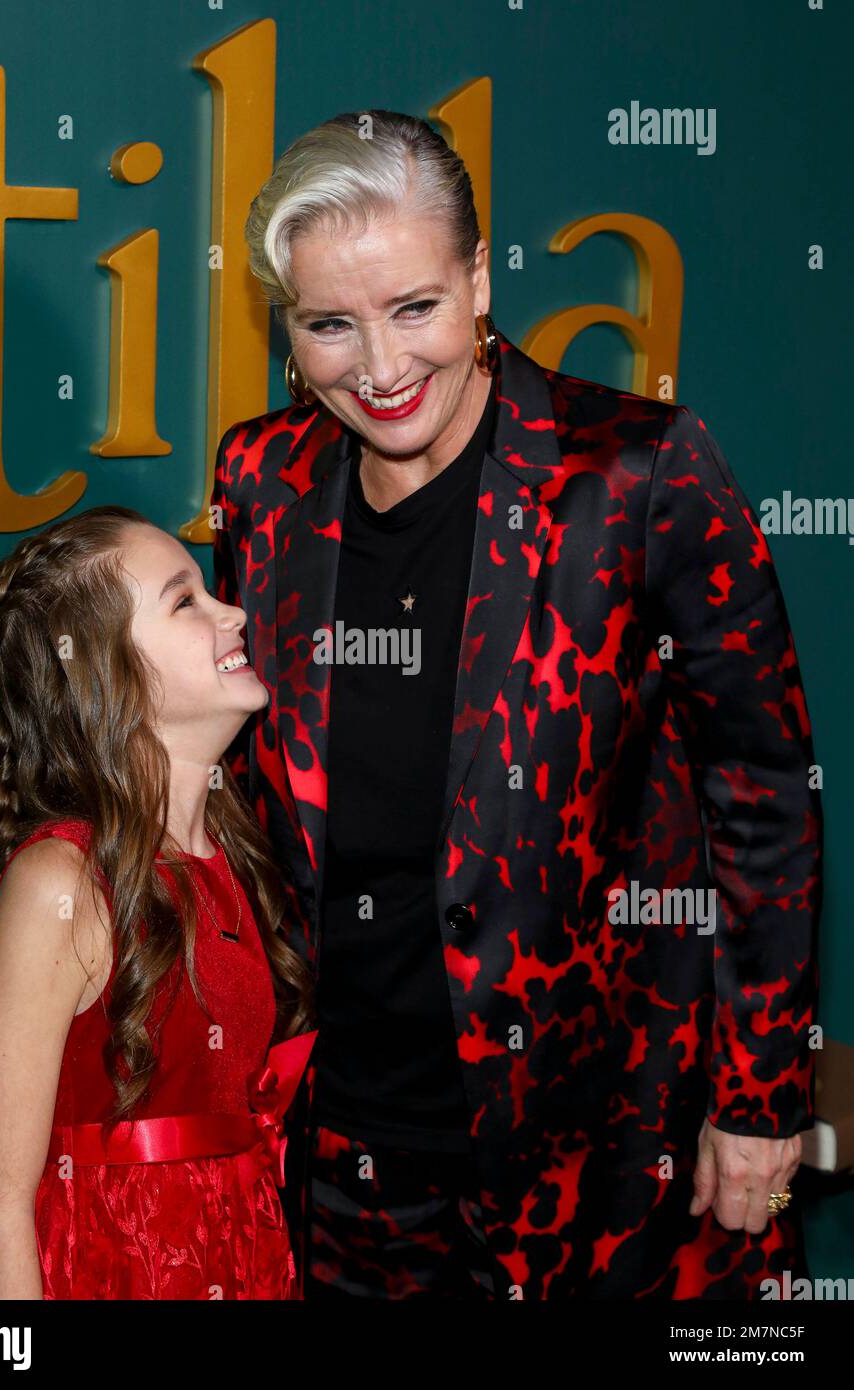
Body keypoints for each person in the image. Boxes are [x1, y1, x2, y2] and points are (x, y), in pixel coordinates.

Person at [209, 109, 824, 1299]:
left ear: (480, 277)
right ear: (285, 323)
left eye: (414, 309)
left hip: (601, 1159)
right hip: (342, 1164)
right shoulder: (260, 482)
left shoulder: (635, 475)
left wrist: (757, 1101)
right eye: (329, 324)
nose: (379, 369)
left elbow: (762, 799)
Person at [0, 506, 315, 1299]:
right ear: (105, 675)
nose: (234, 611)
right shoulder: (62, 884)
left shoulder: (235, 850)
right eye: (185, 602)